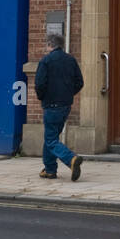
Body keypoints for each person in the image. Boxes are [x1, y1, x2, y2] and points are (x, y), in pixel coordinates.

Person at [34, 35, 84, 182]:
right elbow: (79, 82)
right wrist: (68, 94)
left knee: (51, 140)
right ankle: (50, 170)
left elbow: (39, 84)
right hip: (65, 105)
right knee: (52, 136)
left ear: (50, 45)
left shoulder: (46, 61)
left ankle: (71, 159)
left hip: (51, 104)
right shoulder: (71, 60)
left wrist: (42, 97)